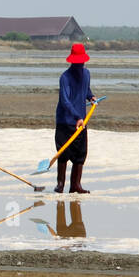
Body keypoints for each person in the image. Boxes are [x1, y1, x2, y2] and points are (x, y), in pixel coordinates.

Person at [55, 43, 96, 194]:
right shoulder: (65, 77)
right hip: (65, 121)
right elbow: (65, 101)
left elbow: (86, 89)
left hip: (81, 122)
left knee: (80, 154)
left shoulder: (87, 74)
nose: (80, 65)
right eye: (77, 62)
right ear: (72, 61)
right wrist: (77, 116)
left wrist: (91, 96)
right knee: (63, 153)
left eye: (81, 62)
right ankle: (60, 185)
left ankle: (76, 185)